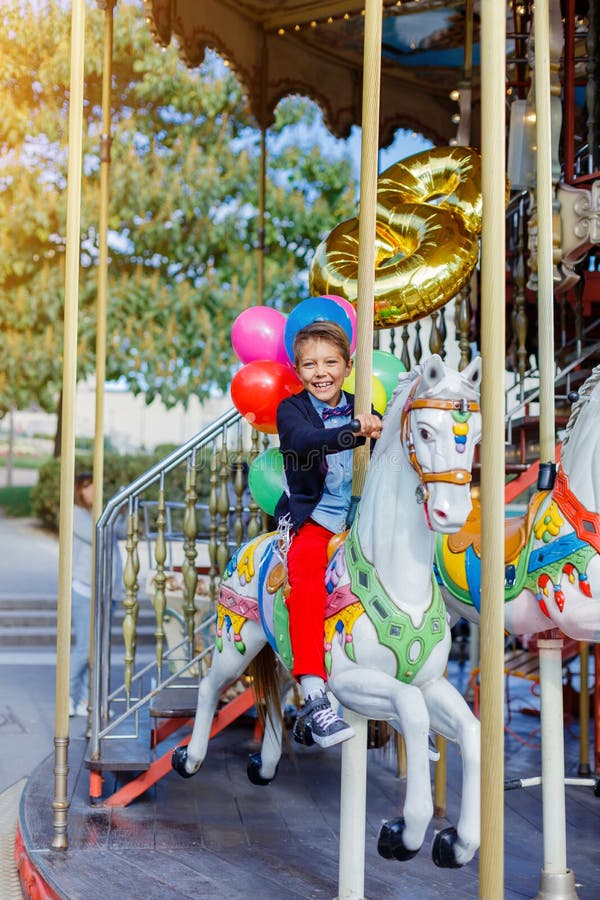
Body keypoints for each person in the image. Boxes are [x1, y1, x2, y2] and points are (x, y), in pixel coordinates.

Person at [274, 321, 382, 748]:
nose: (321, 372)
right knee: (306, 587)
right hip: (315, 517)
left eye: (330, 362)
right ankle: (314, 693)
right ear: (298, 370)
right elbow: (304, 442)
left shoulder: (363, 404)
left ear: (348, 365)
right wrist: (355, 431)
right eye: (310, 364)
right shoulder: (292, 410)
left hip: (359, 520)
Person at [69, 472, 124, 717]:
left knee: (100, 650)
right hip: (85, 589)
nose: (92, 492)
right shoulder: (75, 514)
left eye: (94, 487)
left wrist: (124, 507)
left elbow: (122, 531)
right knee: (84, 649)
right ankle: (69, 697)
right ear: (79, 491)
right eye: (87, 487)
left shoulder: (100, 515)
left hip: (106, 590)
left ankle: (88, 701)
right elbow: (98, 534)